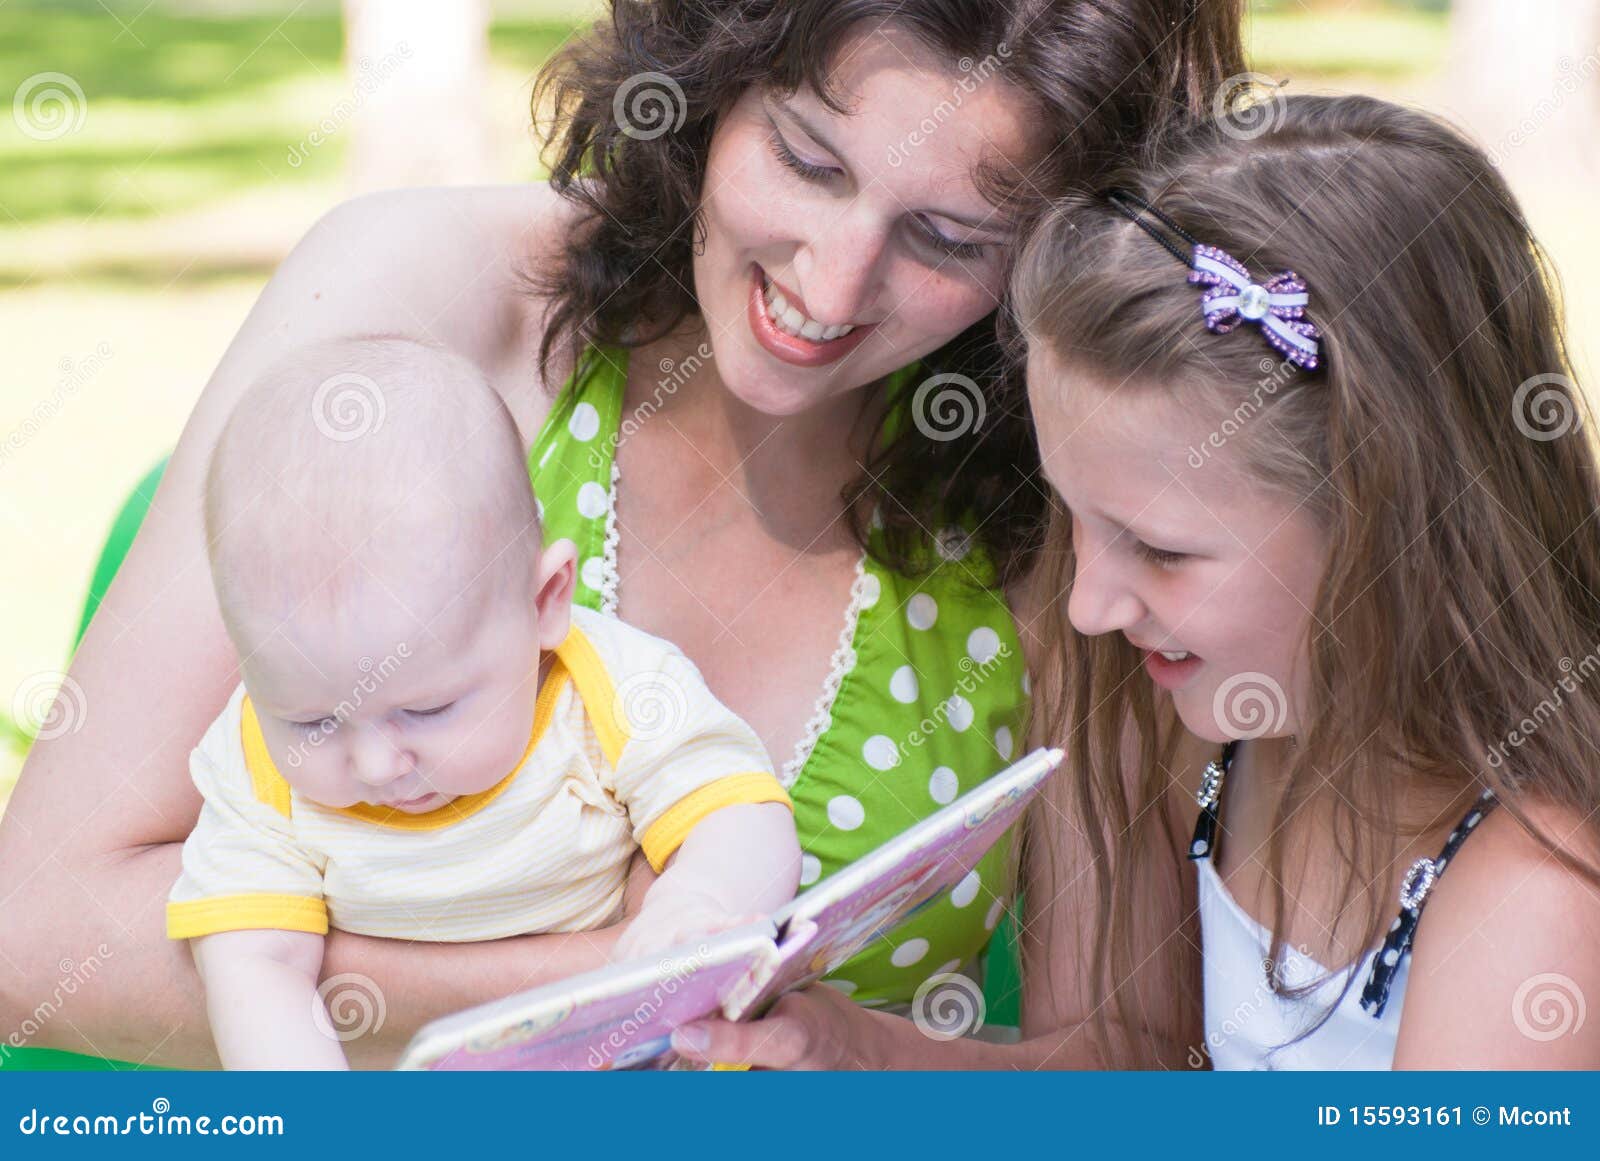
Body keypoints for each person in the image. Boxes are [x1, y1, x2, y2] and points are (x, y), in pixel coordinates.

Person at [0, 0, 1242, 1069]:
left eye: (947, 240)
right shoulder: (441, 295)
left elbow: (1127, 1059)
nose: (835, 279)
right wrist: (633, 975)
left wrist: (843, 1049)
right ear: (707, 89)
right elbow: (36, 937)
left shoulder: (1045, 497)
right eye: (808, 162)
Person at [1007, 94, 1600, 1068]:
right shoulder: (1164, 700)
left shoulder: (1544, 894)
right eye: (1071, 513)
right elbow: (1122, 1064)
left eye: (1160, 549)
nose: (1086, 605)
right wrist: (860, 1063)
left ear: (1395, 523)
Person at [174, 336, 797, 1068]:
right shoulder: (256, 758)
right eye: (314, 720)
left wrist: (697, 903)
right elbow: (257, 967)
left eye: (429, 709)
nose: (378, 763)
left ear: (543, 602)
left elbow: (740, 812)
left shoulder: (608, 688)